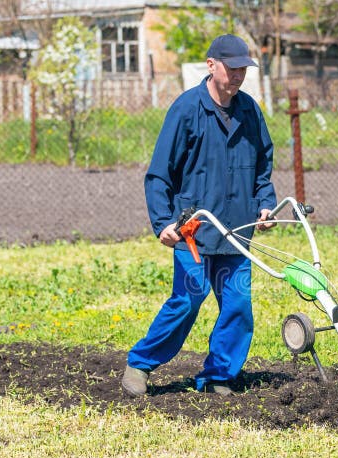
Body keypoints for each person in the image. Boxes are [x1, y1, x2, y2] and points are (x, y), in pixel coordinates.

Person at [121, 34, 276, 397]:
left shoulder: (250, 111)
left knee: (238, 306)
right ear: (211, 65)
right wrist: (162, 223)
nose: (238, 75)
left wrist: (264, 203)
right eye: (232, 67)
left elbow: (262, 168)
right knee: (187, 300)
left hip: (237, 231)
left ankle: (218, 375)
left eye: (243, 69)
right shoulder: (187, 109)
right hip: (193, 231)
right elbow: (160, 173)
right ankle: (140, 364)